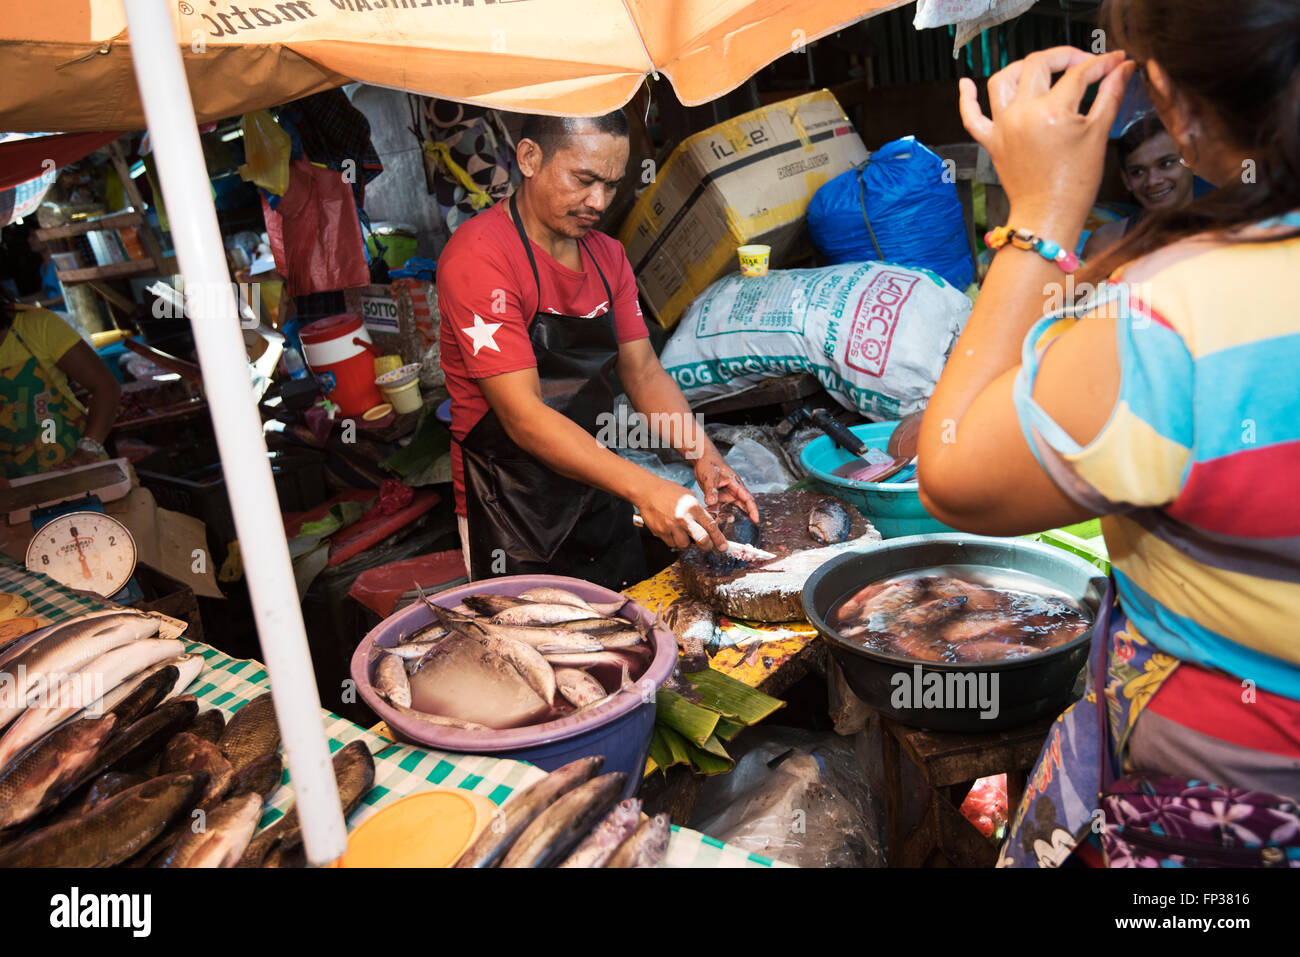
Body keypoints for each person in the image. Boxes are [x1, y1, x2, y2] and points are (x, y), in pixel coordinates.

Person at [918, 0, 1300, 868]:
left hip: (1217, 834)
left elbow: (950, 467)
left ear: (1172, 98)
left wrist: (1041, 214)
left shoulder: (1169, 321)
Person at [437, 110, 758, 590]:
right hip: (509, 511)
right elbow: (523, 416)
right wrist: (646, 487)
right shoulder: (480, 257)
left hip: (597, 486)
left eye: (611, 185)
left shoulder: (607, 256)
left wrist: (704, 456)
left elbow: (644, 373)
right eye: (583, 180)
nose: (598, 201)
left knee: (631, 642)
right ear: (529, 158)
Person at [0, 286, 120, 478]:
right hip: (12, 490)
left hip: (77, 469)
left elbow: (105, 387)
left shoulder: (36, 324)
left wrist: (87, 449)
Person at [1080, 112, 1195, 261]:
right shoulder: (1108, 243)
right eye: (1138, 172)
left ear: (1191, 161)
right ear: (1126, 180)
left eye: (1166, 164)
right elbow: (1079, 285)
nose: (1153, 181)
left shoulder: (1224, 232)